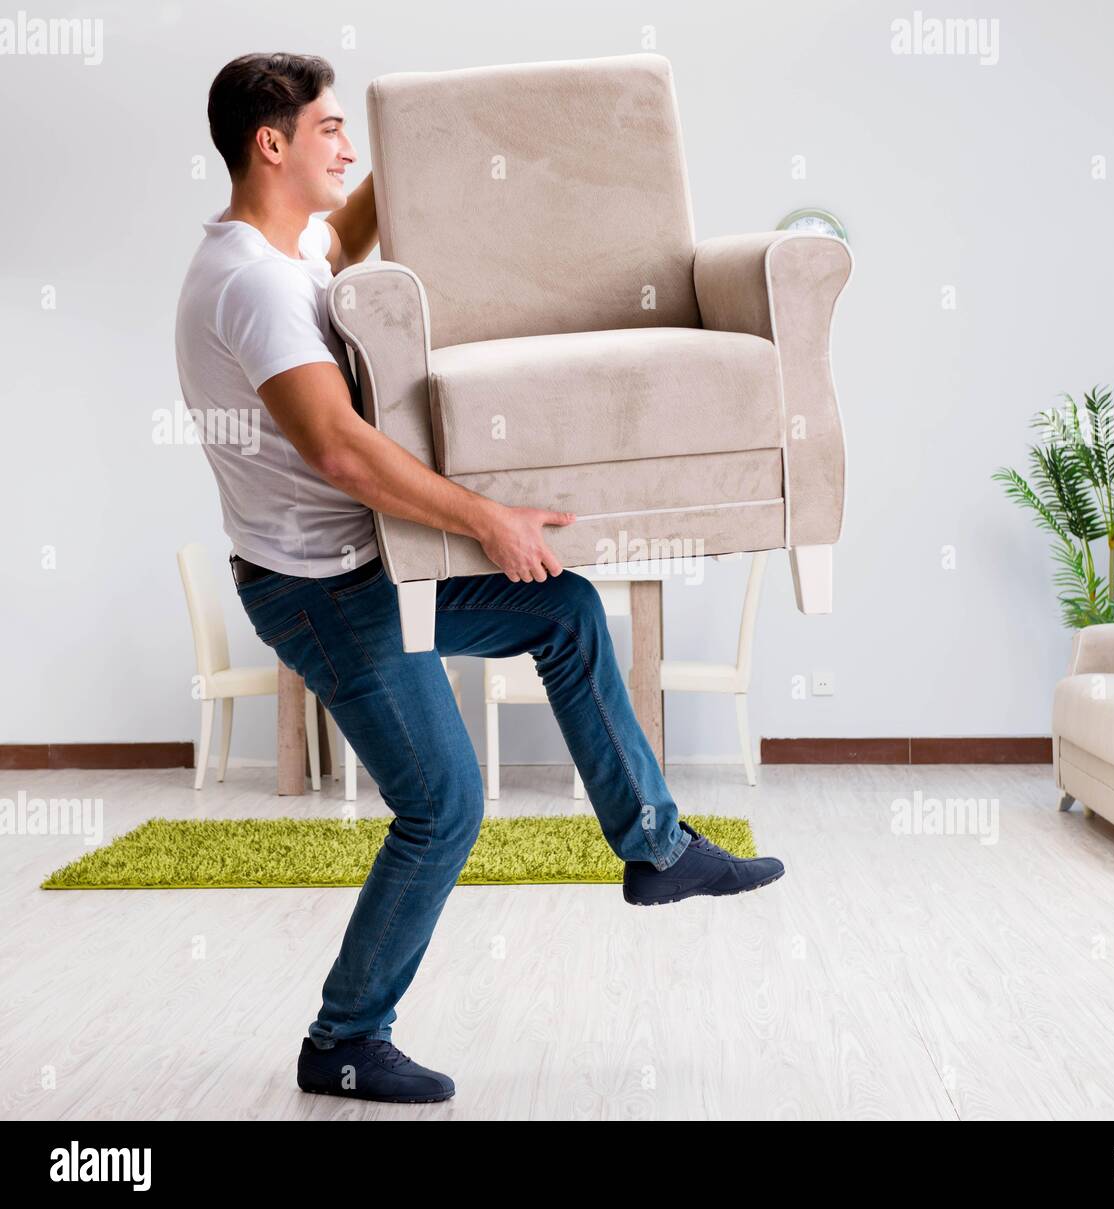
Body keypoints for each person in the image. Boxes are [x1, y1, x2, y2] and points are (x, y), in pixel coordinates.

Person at [174, 51, 785, 1104]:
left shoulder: (282, 255)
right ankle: (346, 1038)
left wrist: (447, 131)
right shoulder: (256, 287)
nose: (344, 144)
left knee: (561, 610)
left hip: (366, 565)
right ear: (269, 144)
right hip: (322, 589)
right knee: (443, 804)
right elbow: (340, 451)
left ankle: (654, 846)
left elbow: (347, 228)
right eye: (328, 128)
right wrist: (487, 522)